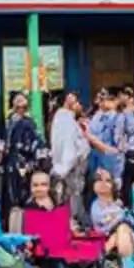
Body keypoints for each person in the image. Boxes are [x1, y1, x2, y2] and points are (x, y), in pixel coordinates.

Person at [88, 168, 134, 268]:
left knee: (122, 229)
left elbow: (131, 222)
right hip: (104, 239)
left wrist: (118, 220)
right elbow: (100, 228)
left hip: (126, 237)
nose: (103, 183)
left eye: (107, 181)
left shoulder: (119, 205)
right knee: (120, 231)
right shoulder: (94, 206)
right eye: (99, 180)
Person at [50, 92, 91, 227]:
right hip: (70, 168)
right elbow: (68, 146)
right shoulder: (65, 120)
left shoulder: (66, 119)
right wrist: (65, 168)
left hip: (69, 167)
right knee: (72, 198)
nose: (80, 106)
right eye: (77, 102)